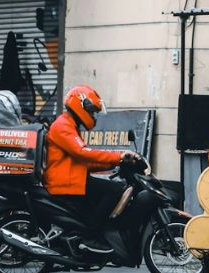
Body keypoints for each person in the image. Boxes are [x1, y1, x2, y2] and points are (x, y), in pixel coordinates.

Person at [43, 84, 140, 244]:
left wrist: (115, 163)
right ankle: (91, 235)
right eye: (92, 111)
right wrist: (118, 156)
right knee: (115, 189)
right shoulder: (63, 126)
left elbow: (83, 162)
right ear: (81, 106)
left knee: (107, 190)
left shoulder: (69, 125)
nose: (93, 116)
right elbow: (83, 152)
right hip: (65, 184)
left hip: (72, 179)